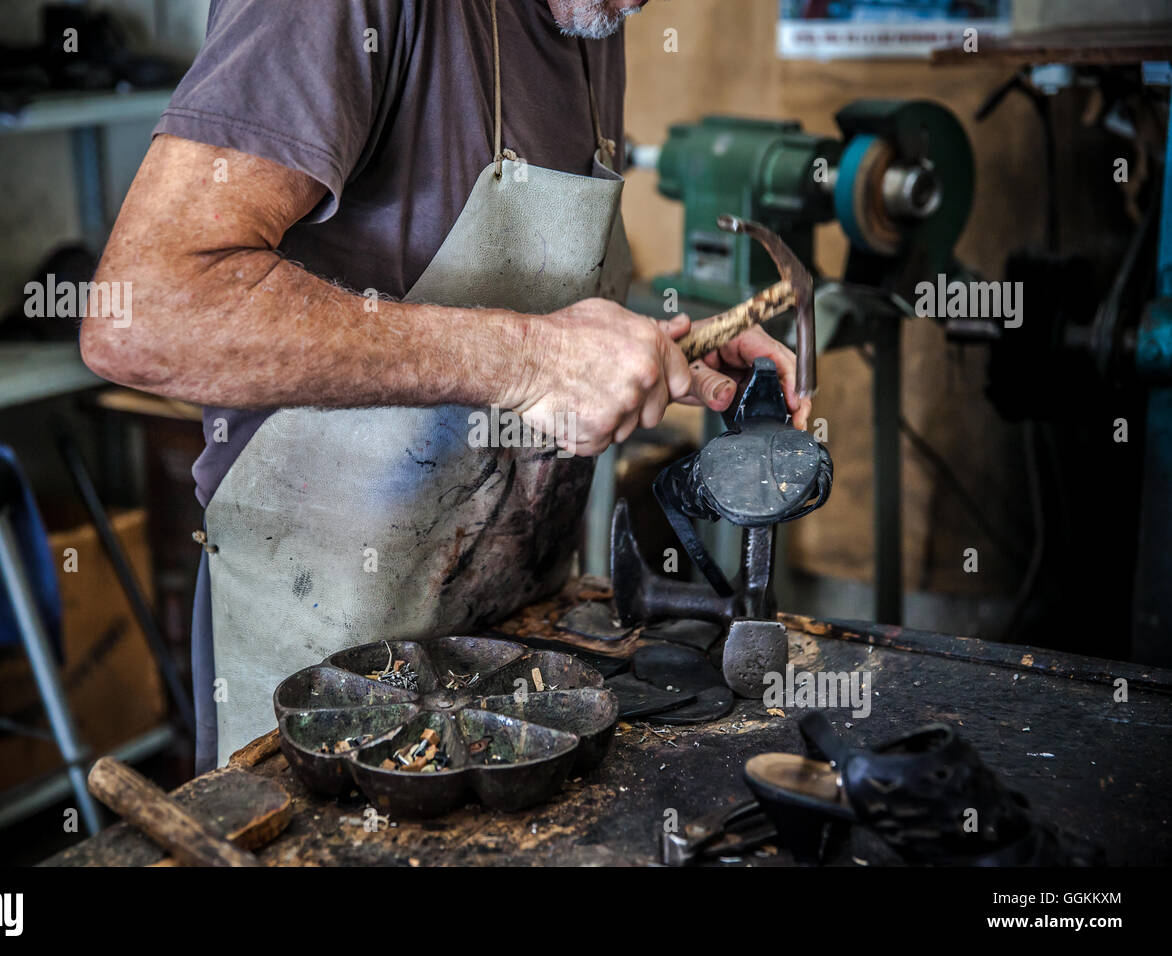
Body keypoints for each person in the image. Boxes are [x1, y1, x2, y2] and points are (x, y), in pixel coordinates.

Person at [81, 0, 809, 770]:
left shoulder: (592, 15)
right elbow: (145, 314)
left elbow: (495, 288)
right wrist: (533, 362)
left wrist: (647, 348)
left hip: (509, 636)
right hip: (328, 641)